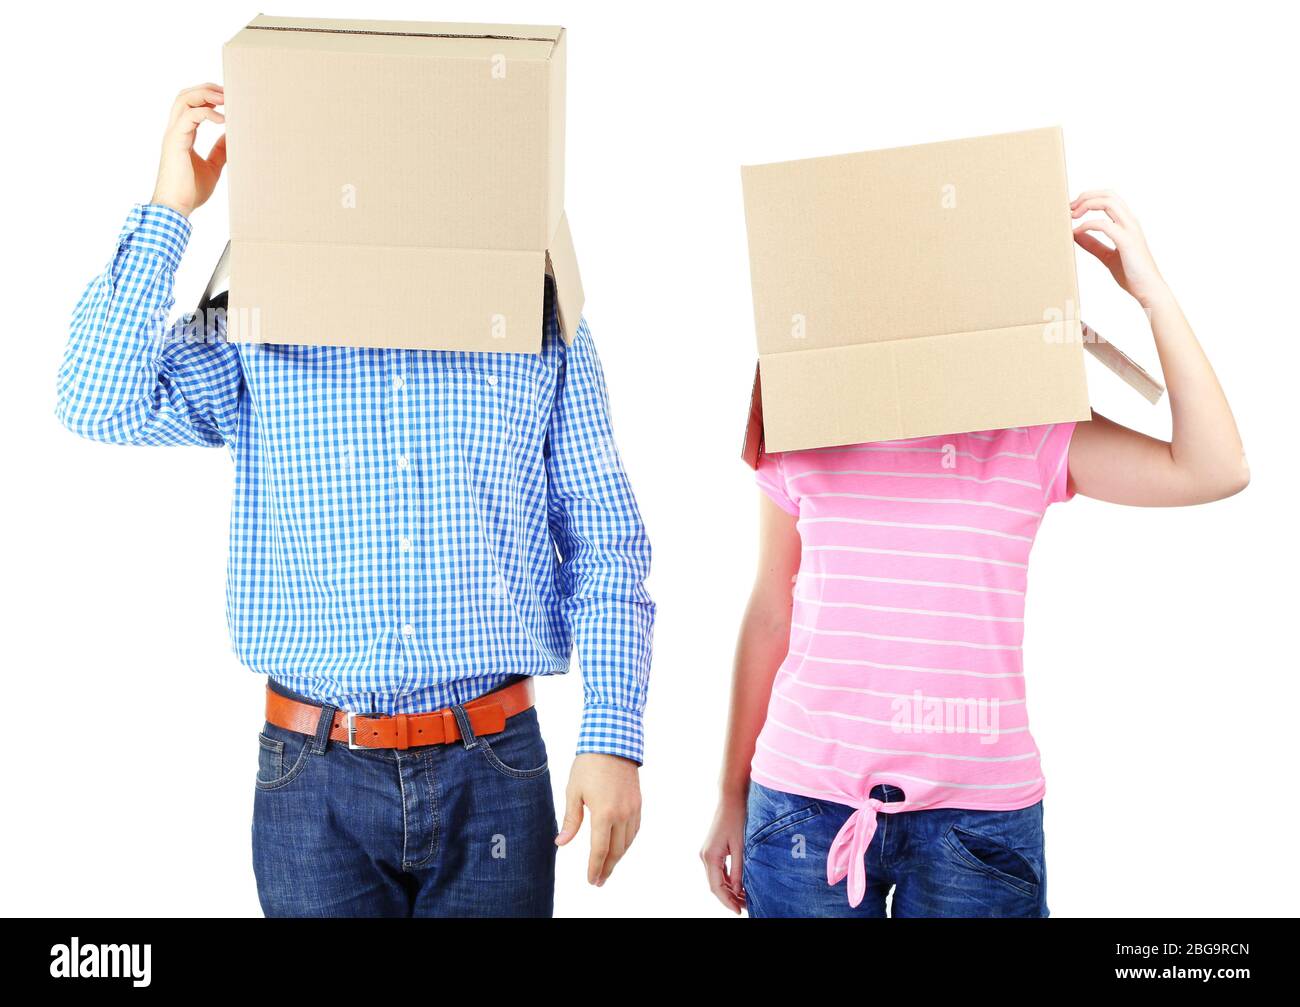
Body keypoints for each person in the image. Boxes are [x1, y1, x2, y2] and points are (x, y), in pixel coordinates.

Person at [57, 83, 653, 918]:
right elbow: (95, 397)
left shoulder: (540, 319)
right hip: (313, 781)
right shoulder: (257, 322)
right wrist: (171, 210)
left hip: (496, 769)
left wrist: (613, 736)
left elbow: (605, 538)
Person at [701, 189, 1248, 917]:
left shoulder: (1027, 427)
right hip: (803, 809)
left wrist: (1148, 291)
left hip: (979, 824)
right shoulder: (809, 405)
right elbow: (773, 609)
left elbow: (1214, 467)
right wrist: (730, 794)